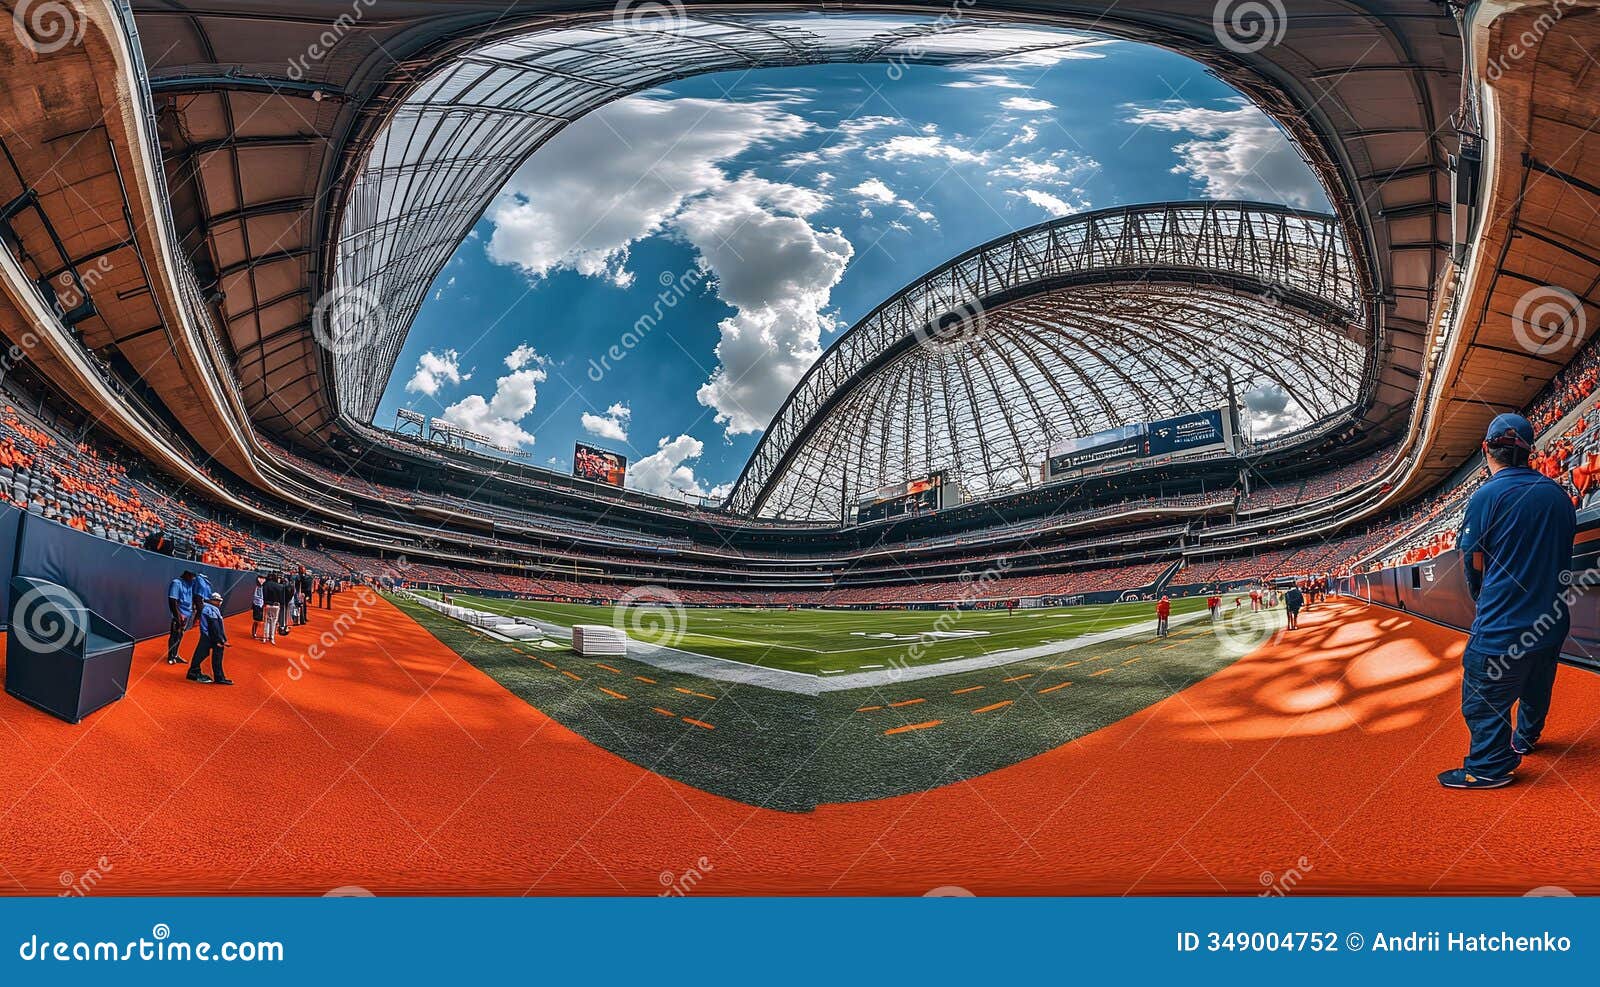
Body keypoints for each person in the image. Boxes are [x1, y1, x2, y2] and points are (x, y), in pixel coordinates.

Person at [1440, 413, 1576, 790]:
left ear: (1487, 448)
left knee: (1482, 696)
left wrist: (1481, 597)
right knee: (1537, 684)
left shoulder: (1486, 496)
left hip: (1503, 623)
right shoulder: (1558, 495)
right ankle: (1526, 738)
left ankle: (1489, 766)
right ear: (1529, 451)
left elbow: (1472, 560)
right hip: (1552, 619)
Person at [187, 591, 230, 685]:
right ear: (212, 600)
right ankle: (194, 673)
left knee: (202, 654)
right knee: (203, 654)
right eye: (217, 600)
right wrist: (220, 640)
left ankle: (217, 677)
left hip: (209, 636)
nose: (219, 602)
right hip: (209, 637)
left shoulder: (212, 608)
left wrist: (223, 639)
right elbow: (214, 626)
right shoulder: (209, 609)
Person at [165, 570, 197, 665]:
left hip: (187, 613)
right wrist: (178, 616)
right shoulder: (176, 583)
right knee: (174, 635)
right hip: (179, 614)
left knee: (180, 634)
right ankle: (170, 657)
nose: (193, 578)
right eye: (192, 576)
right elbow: (172, 600)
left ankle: (175, 655)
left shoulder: (190, 583)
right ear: (186, 574)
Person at [262, 575, 282, 645]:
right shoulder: (279, 585)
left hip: (268, 604)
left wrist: (265, 603)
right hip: (276, 605)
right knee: (274, 621)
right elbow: (281, 596)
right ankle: (272, 638)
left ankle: (265, 637)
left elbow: (264, 595)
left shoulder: (266, 584)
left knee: (267, 621)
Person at [250, 574, 267, 641]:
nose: (262, 580)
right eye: (261, 578)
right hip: (257, 604)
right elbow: (256, 596)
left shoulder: (263, 587)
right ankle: (254, 634)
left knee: (259, 620)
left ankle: (256, 633)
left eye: (263, 578)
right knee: (256, 620)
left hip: (261, 605)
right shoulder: (256, 587)